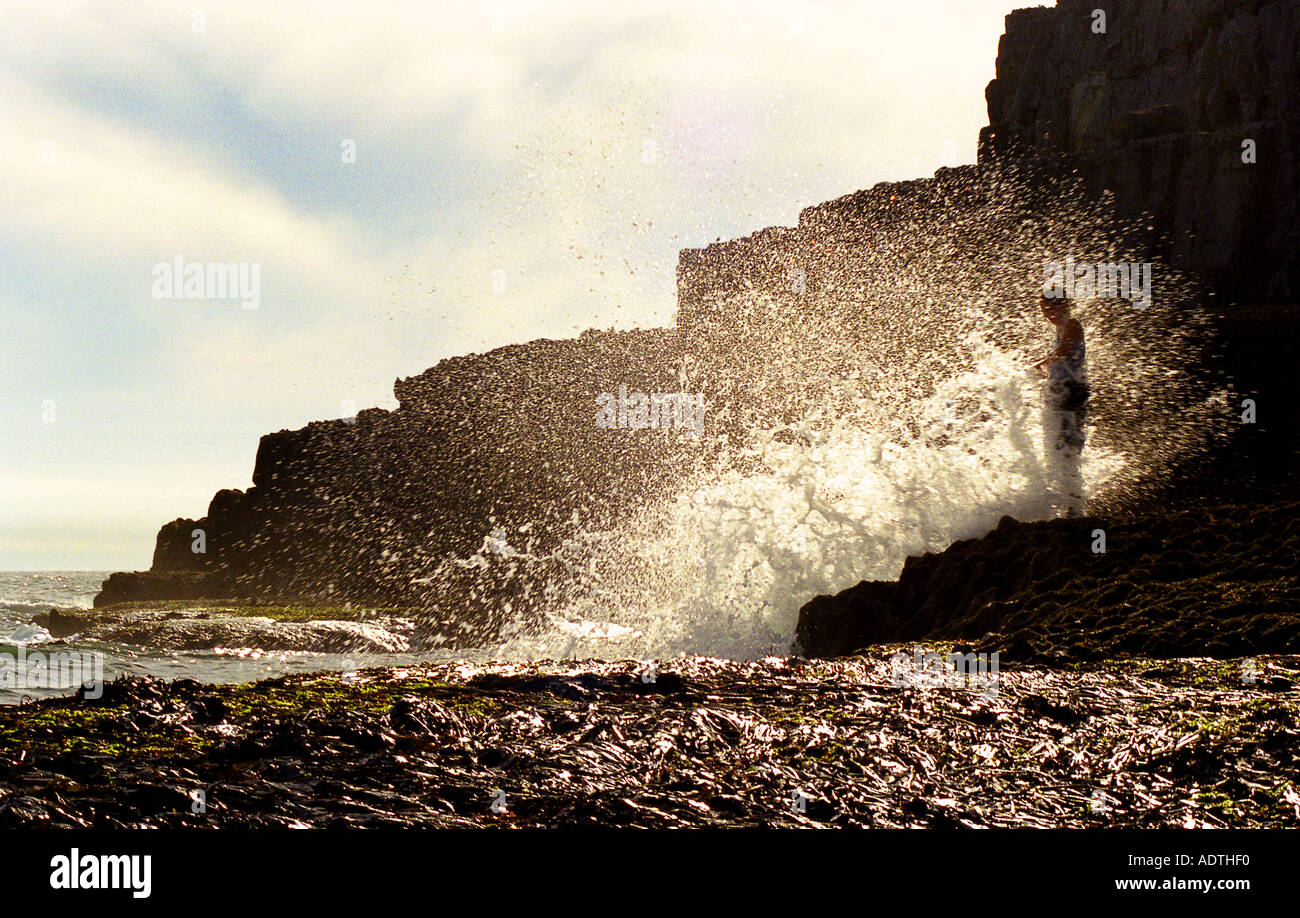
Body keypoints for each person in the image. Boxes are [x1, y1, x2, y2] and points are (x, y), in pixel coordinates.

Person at [1032, 295, 1089, 516]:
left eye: (1050, 309)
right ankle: (1067, 502)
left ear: (1064, 305)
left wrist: (1038, 364)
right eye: (1044, 311)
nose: (1047, 315)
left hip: (1072, 393)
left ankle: (1075, 505)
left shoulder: (1072, 324)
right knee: (1057, 445)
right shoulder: (1059, 329)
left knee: (1068, 446)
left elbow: (1065, 351)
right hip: (1060, 392)